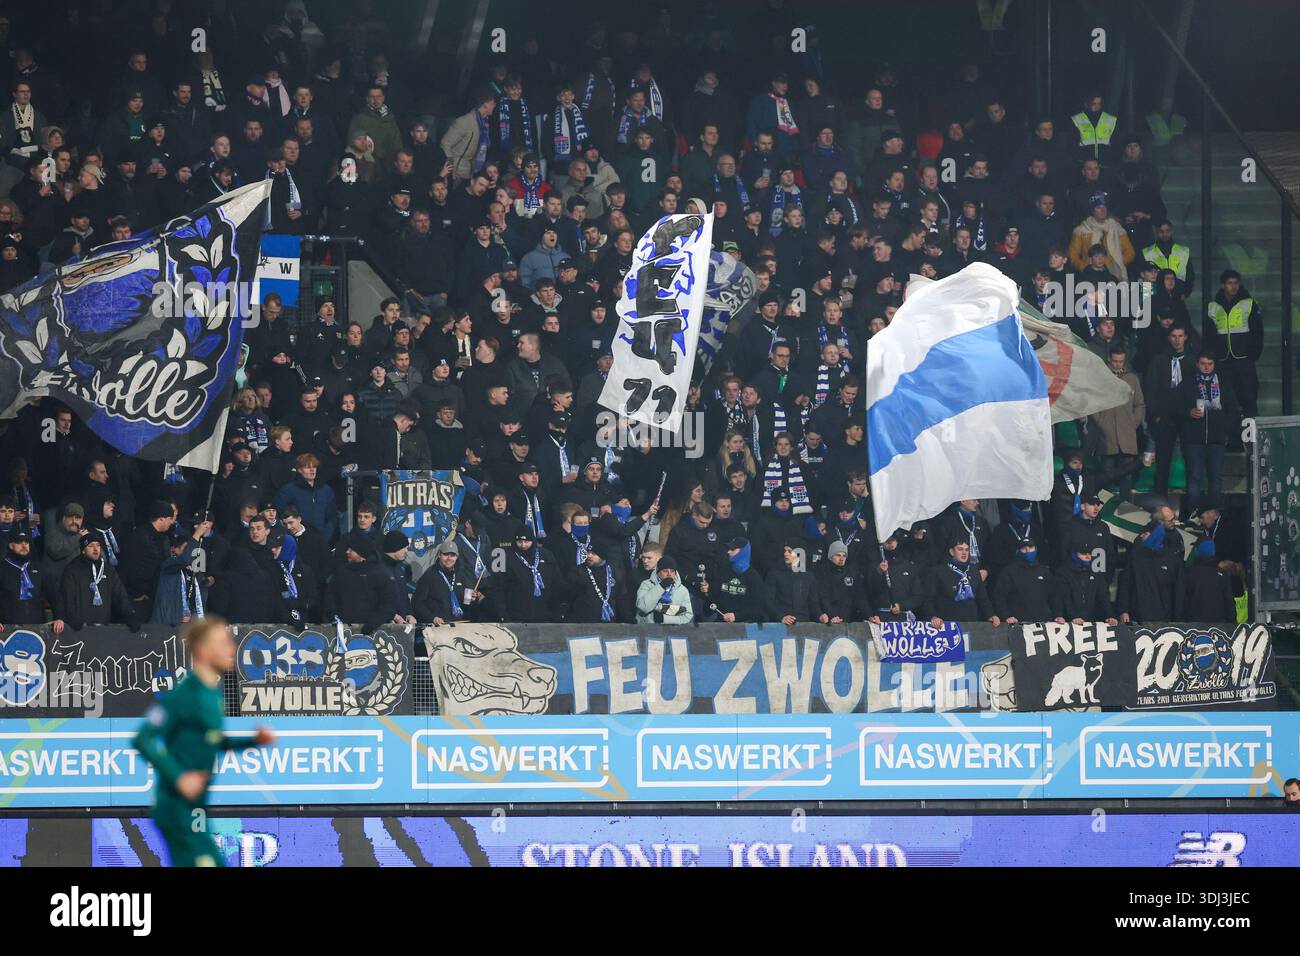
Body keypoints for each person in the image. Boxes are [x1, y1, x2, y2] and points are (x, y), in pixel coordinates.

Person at [133, 618, 275, 867]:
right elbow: (142, 739)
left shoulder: (213, 695)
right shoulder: (183, 694)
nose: (232, 648)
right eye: (223, 643)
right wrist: (179, 778)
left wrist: (254, 741)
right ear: (201, 650)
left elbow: (212, 741)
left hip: (195, 810)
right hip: (176, 810)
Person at [993, 538, 1054, 625]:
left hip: (1043, 624)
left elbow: (1054, 596)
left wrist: (1056, 614)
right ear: (1018, 551)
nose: (1028, 550)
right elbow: (999, 596)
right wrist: (1006, 616)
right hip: (1018, 624)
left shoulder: (1044, 571)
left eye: (1030, 547)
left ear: (1036, 549)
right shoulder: (1009, 571)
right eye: (1024, 548)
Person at [1183, 539, 1236, 623]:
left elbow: (1183, 602)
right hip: (1219, 628)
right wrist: (1232, 625)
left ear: (1198, 551)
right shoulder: (1222, 575)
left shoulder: (1188, 574)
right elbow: (1229, 603)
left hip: (1193, 628)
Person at [636, 554, 693, 624]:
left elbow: (687, 616)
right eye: (665, 571)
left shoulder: (682, 590)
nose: (669, 574)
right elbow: (643, 607)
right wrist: (661, 586)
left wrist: (664, 619)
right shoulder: (646, 585)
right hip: (648, 629)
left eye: (672, 571)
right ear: (658, 572)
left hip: (674, 632)